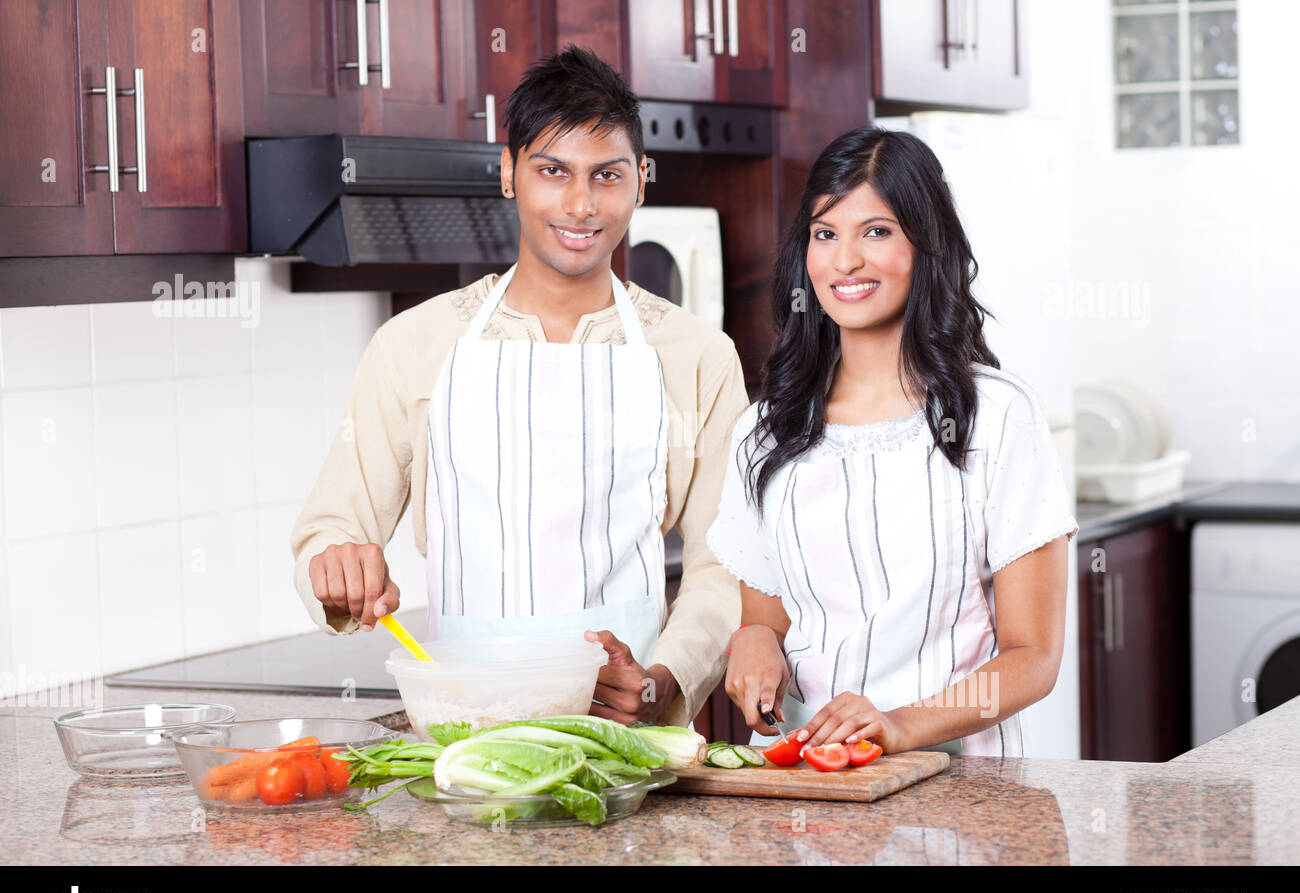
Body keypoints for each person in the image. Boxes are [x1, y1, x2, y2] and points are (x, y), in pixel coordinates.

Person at [290, 46, 749, 727]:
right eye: (552, 170)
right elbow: (332, 528)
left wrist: (659, 682)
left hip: (625, 741)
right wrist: (336, 570)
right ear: (508, 174)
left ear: (641, 182)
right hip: (464, 736)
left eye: (608, 175)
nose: (581, 204)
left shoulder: (697, 356)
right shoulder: (415, 345)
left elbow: (726, 564)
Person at [707, 126, 1078, 757]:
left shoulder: (996, 417)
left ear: (925, 247)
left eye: (875, 231)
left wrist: (901, 724)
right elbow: (766, 620)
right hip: (810, 784)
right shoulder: (765, 430)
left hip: (959, 786)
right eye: (826, 234)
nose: (846, 261)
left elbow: (1033, 657)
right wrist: (754, 642)